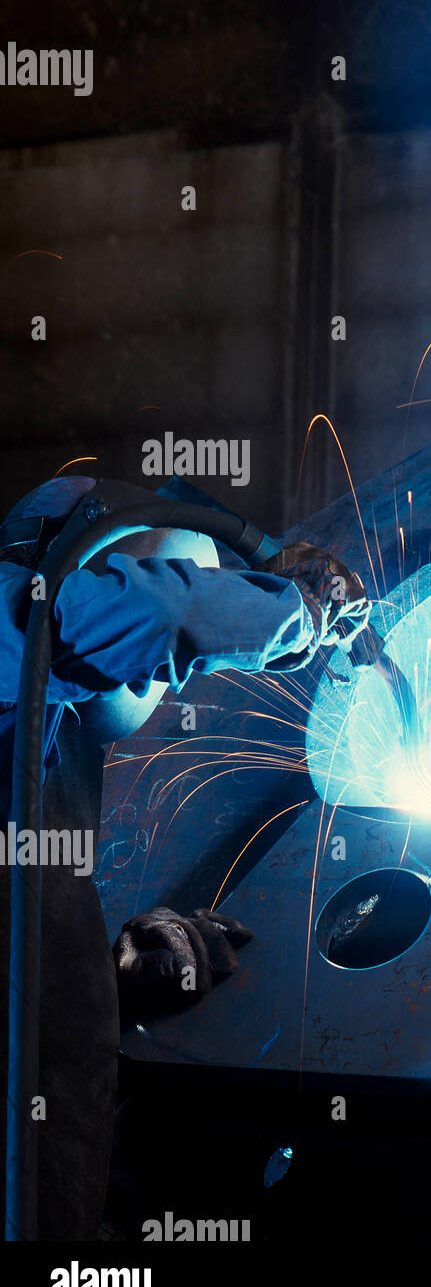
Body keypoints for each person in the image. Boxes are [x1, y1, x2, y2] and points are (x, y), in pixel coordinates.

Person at [0, 474, 371, 1238]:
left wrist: (112, 978)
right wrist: (294, 612)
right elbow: (151, 613)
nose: (159, 693)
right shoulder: (23, 624)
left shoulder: (45, 735)